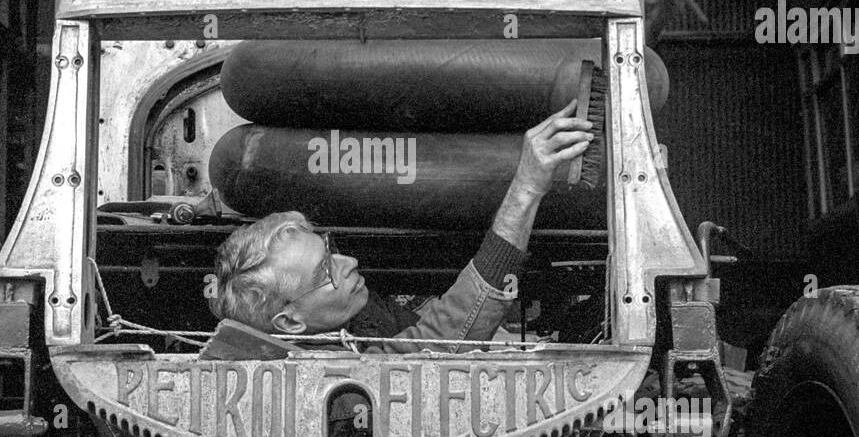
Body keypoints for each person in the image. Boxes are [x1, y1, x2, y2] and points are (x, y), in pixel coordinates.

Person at [209, 99, 594, 349]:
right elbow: (445, 338)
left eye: (332, 251)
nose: (350, 263)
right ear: (290, 322)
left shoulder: (342, 319)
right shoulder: (329, 383)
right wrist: (526, 187)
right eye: (326, 270)